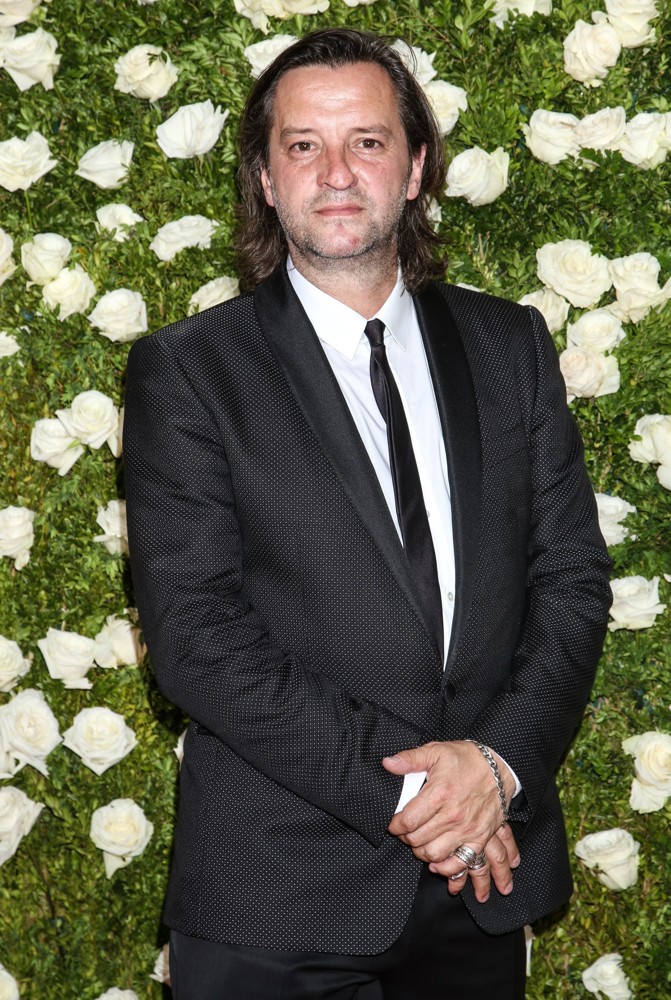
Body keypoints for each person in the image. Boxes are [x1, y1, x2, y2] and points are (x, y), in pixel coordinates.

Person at [123, 27, 611, 1000]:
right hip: (279, 905)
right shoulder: (190, 370)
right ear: (266, 177)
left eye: (368, 142)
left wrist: (498, 765)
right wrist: (421, 796)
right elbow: (196, 637)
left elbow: (568, 578)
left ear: (415, 165)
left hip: (475, 880)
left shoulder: (507, 342)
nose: (335, 172)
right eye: (303, 144)